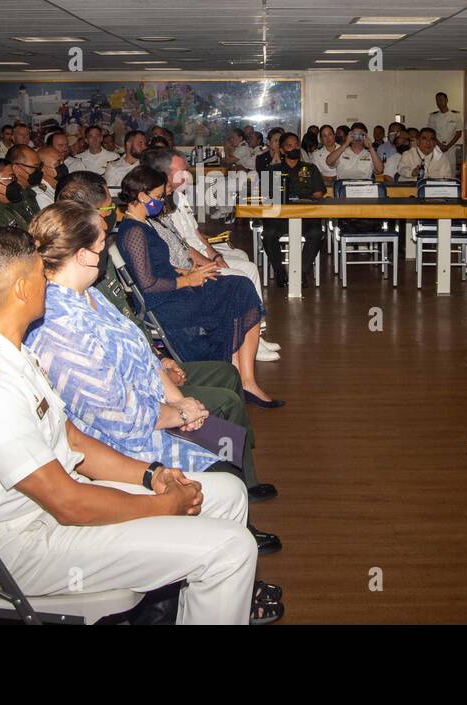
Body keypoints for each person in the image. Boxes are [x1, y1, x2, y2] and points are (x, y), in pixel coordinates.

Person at [0, 227, 277, 624]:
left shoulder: (12, 352)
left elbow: (72, 440)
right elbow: (68, 502)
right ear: (23, 289)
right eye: (39, 273)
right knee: (231, 548)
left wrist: (151, 476)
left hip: (61, 505)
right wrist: (161, 506)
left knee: (230, 493)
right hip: (30, 541)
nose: (48, 280)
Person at [25, 203, 282, 555]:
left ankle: (238, 535)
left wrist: (178, 400)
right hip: (124, 440)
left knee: (227, 440)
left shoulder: (88, 294)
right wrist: (179, 415)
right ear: (83, 255)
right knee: (222, 463)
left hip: (157, 410)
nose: (106, 250)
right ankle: (220, 549)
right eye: (101, 245)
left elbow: (143, 356)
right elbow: (116, 416)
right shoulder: (59, 325)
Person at [55, 172, 276, 502]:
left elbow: (132, 335)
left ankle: (241, 475)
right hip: (143, 406)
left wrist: (161, 361)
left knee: (227, 373)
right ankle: (231, 484)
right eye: (100, 239)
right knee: (226, 400)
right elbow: (114, 404)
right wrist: (178, 407)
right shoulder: (65, 318)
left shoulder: (93, 294)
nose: (105, 242)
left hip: (154, 374)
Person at [115, 167, 279, 408]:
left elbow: (159, 267)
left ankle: (244, 378)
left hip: (174, 289)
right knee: (239, 289)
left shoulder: (145, 224)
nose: (162, 201)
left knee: (238, 286)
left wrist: (188, 272)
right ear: (142, 196)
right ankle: (243, 379)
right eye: (159, 196)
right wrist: (187, 280)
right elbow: (148, 284)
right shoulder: (134, 232)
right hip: (165, 303)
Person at [141, 148, 279, 358]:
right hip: (187, 269)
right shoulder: (162, 206)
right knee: (244, 273)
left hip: (194, 257)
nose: (186, 175)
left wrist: (215, 256)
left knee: (243, 262)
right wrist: (209, 263)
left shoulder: (178, 197)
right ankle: (246, 337)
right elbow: (182, 247)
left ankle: (254, 334)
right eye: (181, 172)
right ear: (164, 176)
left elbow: (195, 233)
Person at [262, 133, 325, 288]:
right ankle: (280, 271)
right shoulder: (272, 170)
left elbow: (318, 194)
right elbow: (265, 197)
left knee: (316, 233)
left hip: (306, 216)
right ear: (282, 150)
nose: (294, 148)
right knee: (268, 234)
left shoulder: (310, 168)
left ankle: (301, 272)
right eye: (289, 146)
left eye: (296, 145)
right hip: (279, 217)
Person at [427, 92, 463, 168]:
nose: (439, 103)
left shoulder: (456, 115)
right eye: (437, 100)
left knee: (450, 170)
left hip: (450, 148)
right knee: (436, 170)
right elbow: (431, 133)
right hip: (437, 148)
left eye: (441, 100)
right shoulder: (433, 116)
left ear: (446, 100)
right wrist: (440, 145)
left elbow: (459, 133)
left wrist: (447, 146)